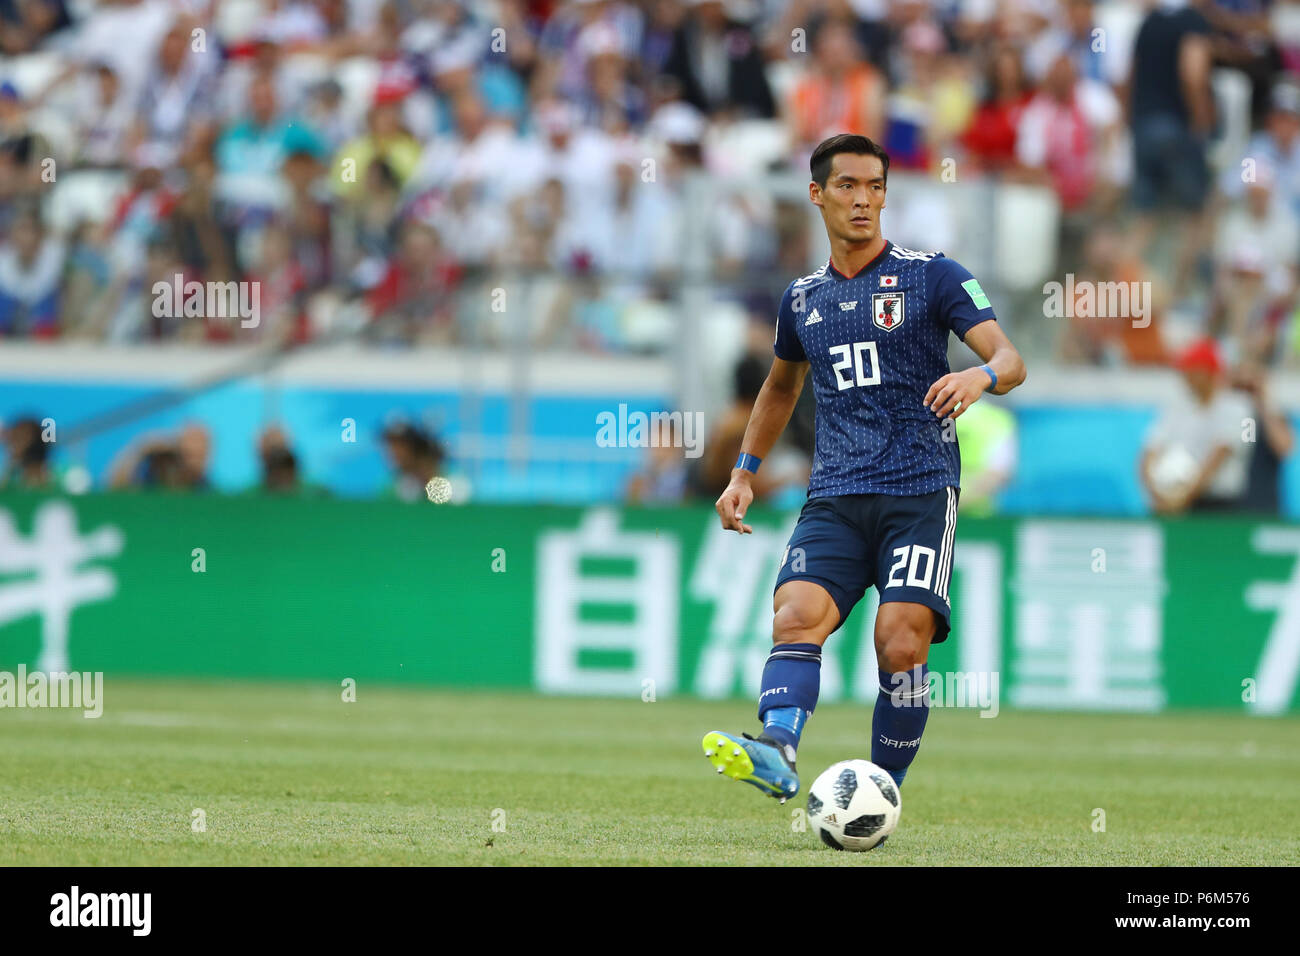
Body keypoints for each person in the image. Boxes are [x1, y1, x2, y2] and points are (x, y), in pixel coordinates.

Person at [703, 134, 1027, 808]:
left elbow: (1012, 358)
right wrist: (743, 472)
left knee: (901, 642)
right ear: (816, 194)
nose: (863, 200)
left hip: (918, 490)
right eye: (847, 185)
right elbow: (780, 390)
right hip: (836, 494)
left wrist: (981, 375)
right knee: (795, 614)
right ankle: (777, 749)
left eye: (875, 186)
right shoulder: (802, 298)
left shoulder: (931, 274)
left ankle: (883, 790)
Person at [1139, 339, 1251, 514]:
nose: (1185, 378)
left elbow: (1220, 455)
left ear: (1207, 373)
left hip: (1220, 505)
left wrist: (1182, 498)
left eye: (1191, 371)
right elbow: (1150, 450)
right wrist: (1156, 493)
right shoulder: (1176, 408)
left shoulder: (1239, 409)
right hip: (1175, 501)